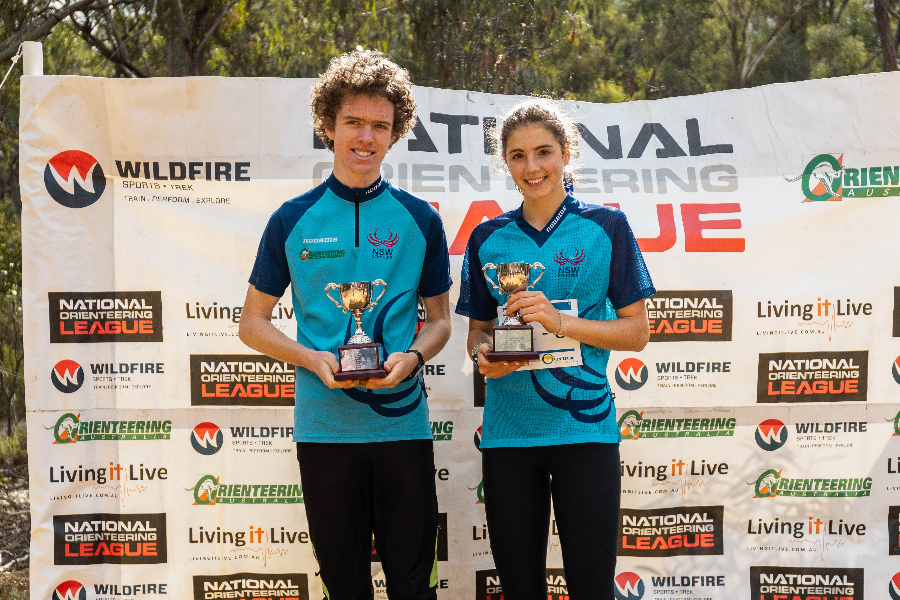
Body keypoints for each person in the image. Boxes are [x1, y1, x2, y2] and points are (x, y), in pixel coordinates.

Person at [239, 51, 452, 600]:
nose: (366, 137)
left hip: (402, 428)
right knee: (345, 587)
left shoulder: (421, 219)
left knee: (415, 586)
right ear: (328, 125)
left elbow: (440, 322)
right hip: (324, 430)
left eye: (380, 125)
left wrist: (413, 357)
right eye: (353, 121)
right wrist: (312, 359)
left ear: (395, 133)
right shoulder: (291, 218)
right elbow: (252, 325)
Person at [456, 99, 655, 599]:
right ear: (506, 163)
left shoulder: (607, 227)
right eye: (517, 155)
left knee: (591, 588)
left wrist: (560, 322)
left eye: (543, 152)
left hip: (584, 431)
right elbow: (478, 331)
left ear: (566, 153)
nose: (532, 167)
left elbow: (636, 332)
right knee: (520, 589)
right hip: (508, 435)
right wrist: (483, 357)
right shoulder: (487, 237)